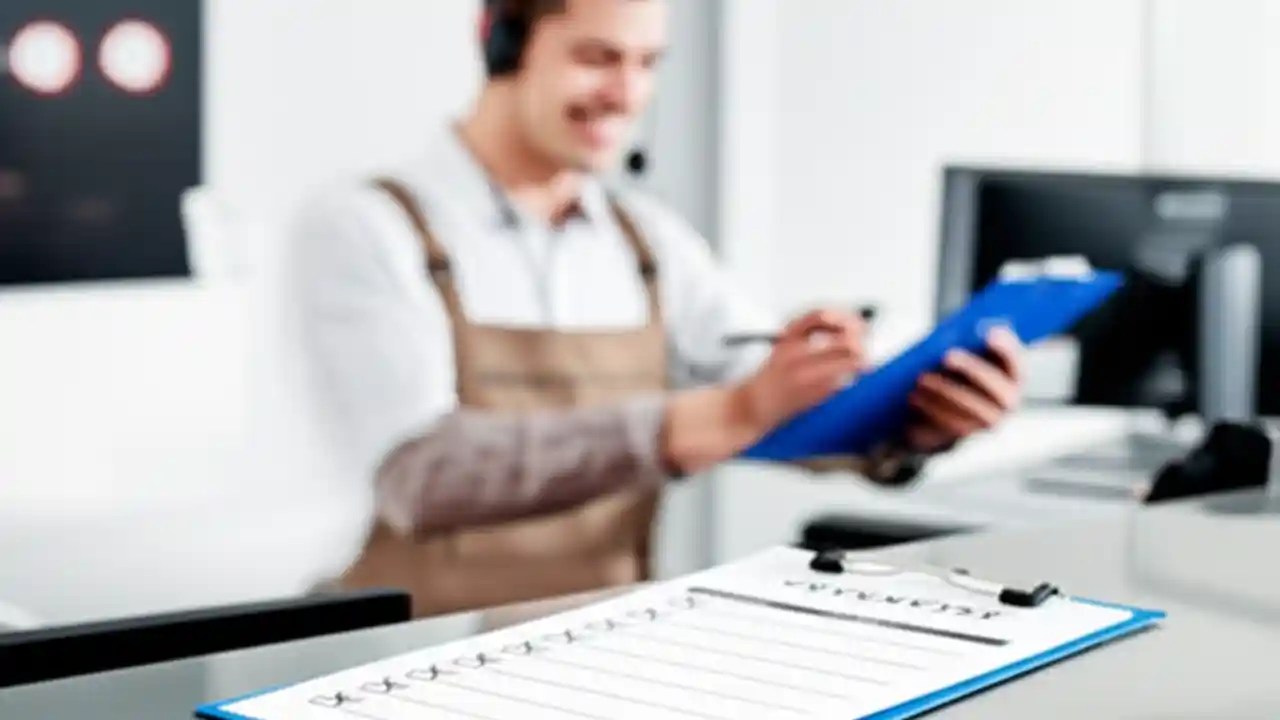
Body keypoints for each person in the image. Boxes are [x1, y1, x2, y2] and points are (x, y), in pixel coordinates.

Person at [288, 0, 1024, 618]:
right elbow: (426, 477)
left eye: (647, 63)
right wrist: (726, 414)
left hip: (600, 633)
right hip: (402, 646)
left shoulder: (649, 241)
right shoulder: (366, 225)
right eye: (598, 57)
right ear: (501, 39)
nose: (628, 93)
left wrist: (908, 423)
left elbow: (774, 400)